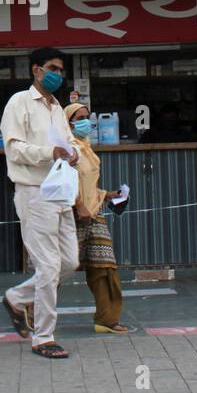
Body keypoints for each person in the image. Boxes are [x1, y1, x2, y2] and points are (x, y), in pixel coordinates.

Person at [0, 47, 78, 359]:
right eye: (52, 68)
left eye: (61, 69)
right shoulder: (19, 102)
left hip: (59, 191)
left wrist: (73, 151)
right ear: (36, 70)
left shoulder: (58, 108)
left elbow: (70, 142)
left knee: (69, 262)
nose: (58, 74)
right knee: (48, 265)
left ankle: (17, 298)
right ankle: (43, 337)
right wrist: (51, 153)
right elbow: (14, 149)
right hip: (33, 192)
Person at [64, 103, 131, 334]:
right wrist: (79, 205)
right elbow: (65, 181)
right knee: (58, 268)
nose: (85, 122)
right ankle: (29, 311)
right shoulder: (67, 148)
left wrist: (108, 195)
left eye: (87, 117)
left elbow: (88, 184)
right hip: (73, 215)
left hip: (94, 214)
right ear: (67, 122)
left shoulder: (87, 147)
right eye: (78, 118)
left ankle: (107, 318)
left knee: (104, 268)